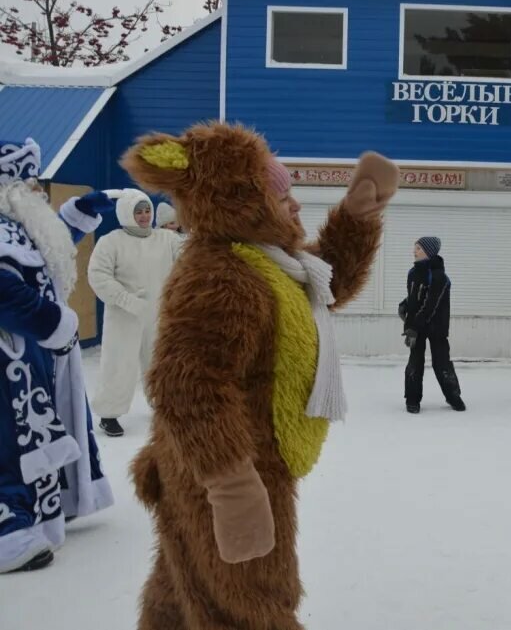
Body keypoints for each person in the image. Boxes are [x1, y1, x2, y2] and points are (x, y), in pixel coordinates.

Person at [122, 123, 398, 629]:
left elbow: (325, 283)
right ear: (238, 201)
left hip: (219, 461)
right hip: (233, 465)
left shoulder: (270, 264)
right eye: (279, 195)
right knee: (253, 599)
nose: (293, 205)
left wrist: (358, 216)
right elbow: (186, 386)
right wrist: (231, 483)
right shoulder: (221, 274)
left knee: (191, 585)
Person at [0, 137, 115, 573]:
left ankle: (42, 505)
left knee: (34, 432)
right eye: (28, 182)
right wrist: (54, 323)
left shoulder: (16, 222)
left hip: (31, 357)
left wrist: (76, 217)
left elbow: (40, 252)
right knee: (10, 439)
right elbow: (6, 289)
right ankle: (8, 522)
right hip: (9, 360)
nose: (36, 190)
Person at [87, 189, 182, 437]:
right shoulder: (111, 241)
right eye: (138, 211)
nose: (143, 216)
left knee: (160, 364)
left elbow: (188, 260)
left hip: (159, 313)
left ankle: (162, 407)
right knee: (119, 365)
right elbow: (98, 276)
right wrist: (127, 300)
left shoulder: (167, 239)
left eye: (147, 210)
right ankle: (109, 413)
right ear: (126, 213)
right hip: (123, 316)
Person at [399, 236, 466, 414]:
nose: (414, 251)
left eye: (419, 248)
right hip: (416, 326)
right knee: (415, 361)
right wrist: (405, 305)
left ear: (429, 252)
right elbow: (415, 298)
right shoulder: (412, 273)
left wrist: (414, 326)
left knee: (442, 362)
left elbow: (430, 305)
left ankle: (453, 396)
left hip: (436, 327)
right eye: (415, 248)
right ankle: (412, 399)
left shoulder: (439, 277)